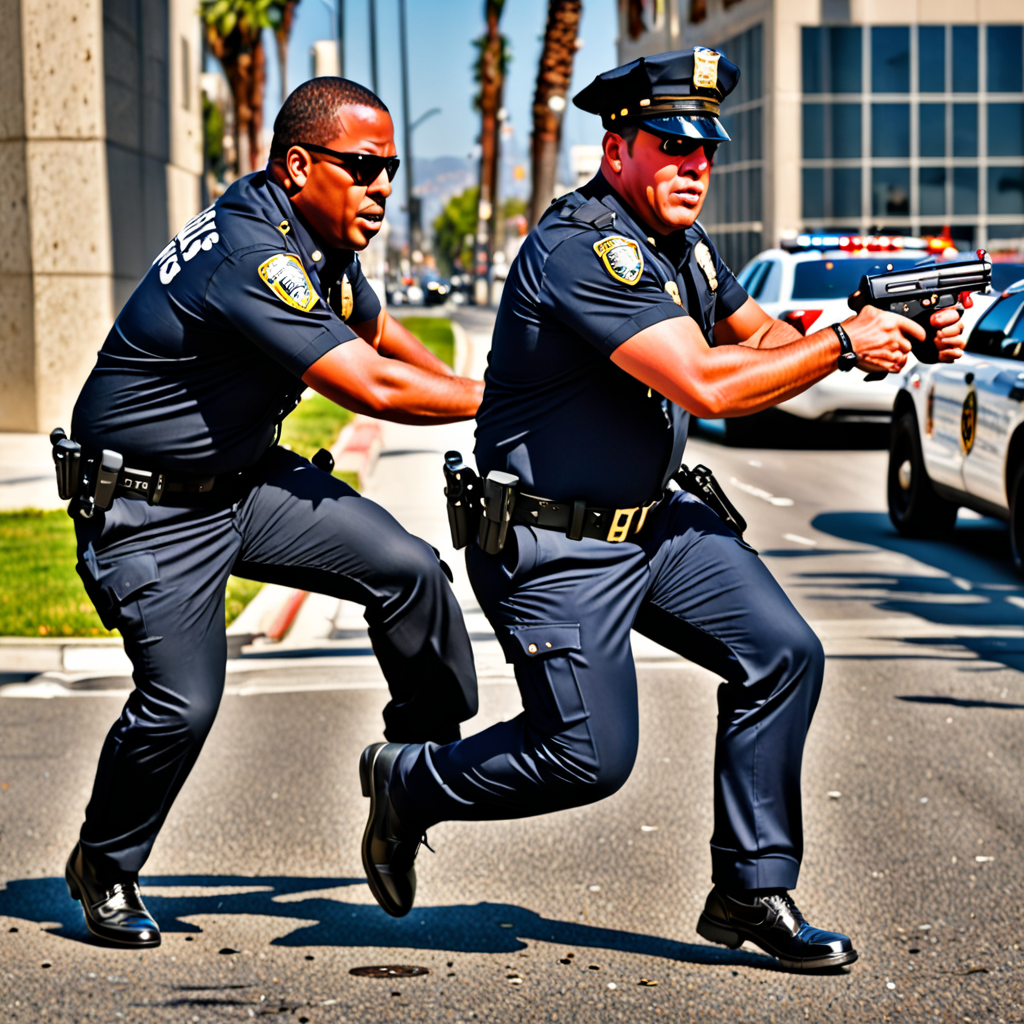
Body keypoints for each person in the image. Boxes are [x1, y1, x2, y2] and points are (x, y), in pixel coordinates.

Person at [358, 49, 965, 971]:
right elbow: (704, 383)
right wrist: (845, 343)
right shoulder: (585, 248)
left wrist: (900, 333)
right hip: (551, 540)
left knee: (783, 653)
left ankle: (750, 888)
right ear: (616, 148)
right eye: (672, 144)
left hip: (655, 526)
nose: (695, 166)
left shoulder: (682, 243)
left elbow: (755, 334)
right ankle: (411, 783)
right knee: (586, 758)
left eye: (706, 148)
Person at [61, 78, 483, 948]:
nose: (382, 190)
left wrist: (499, 385)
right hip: (152, 506)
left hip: (244, 482)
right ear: (300, 165)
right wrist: (514, 401)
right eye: (365, 168)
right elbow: (369, 386)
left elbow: (382, 336)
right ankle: (102, 862)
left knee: (409, 571)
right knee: (181, 703)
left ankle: (410, 775)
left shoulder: (318, 237)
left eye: (392, 170)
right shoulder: (254, 255)